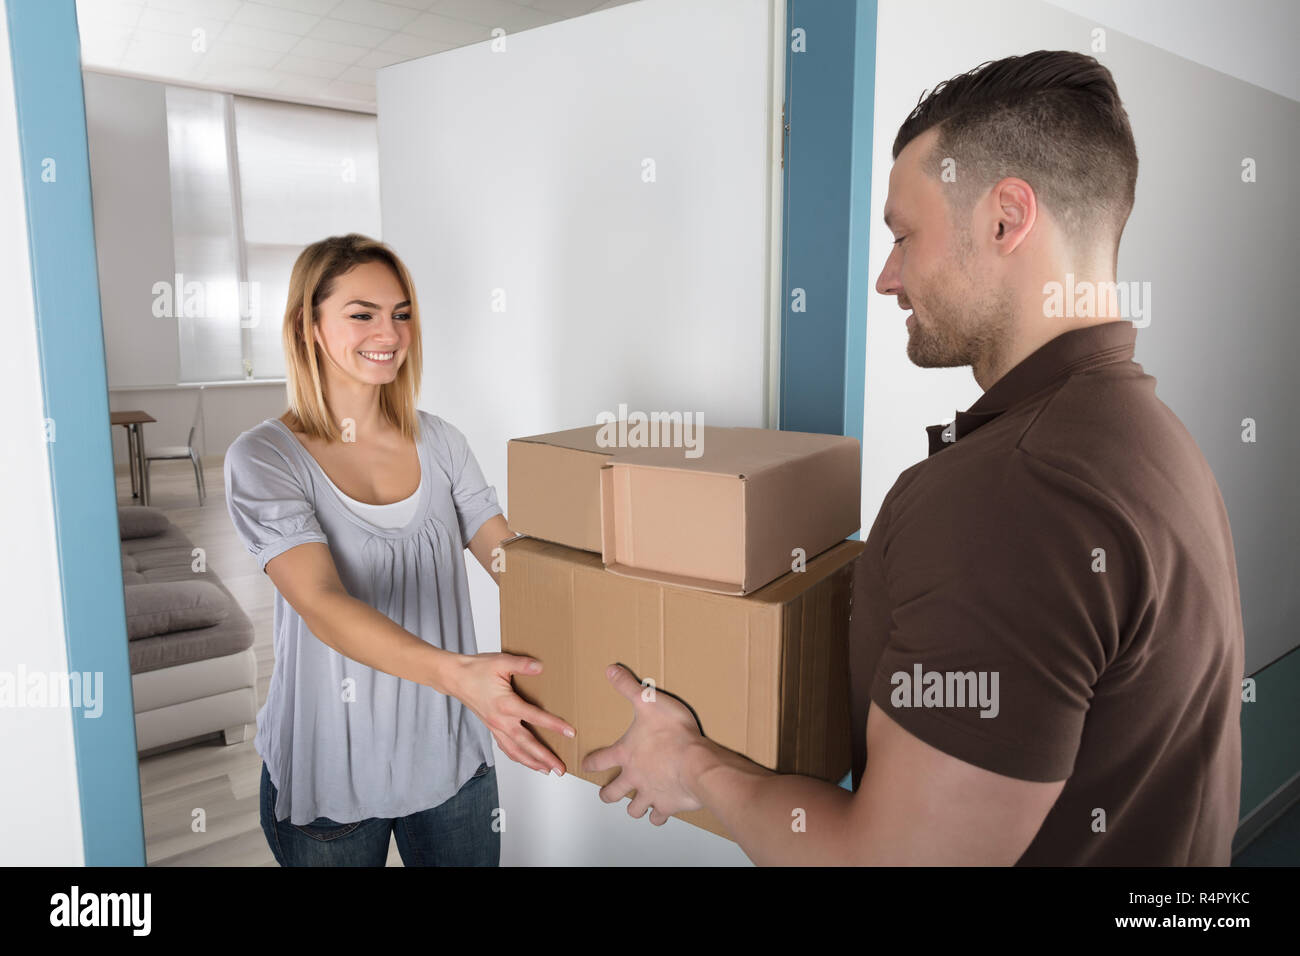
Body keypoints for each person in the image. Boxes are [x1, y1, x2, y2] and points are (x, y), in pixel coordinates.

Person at [584, 50, 1244, 865]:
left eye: (903, 236)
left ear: (1006, 218)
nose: (887, 279)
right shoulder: (1149, 434)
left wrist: (689, 763)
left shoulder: (1011, 494)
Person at [224, 233, 575, 866]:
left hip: (450, 755)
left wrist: (610, 600)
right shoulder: (265, 458)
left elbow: (509, 561)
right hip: (334, 766)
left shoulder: (440, 442)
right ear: (307, 323)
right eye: (362, 313)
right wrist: (461, 676)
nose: (390, 331)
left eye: (402, 313)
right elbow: (323, 604)